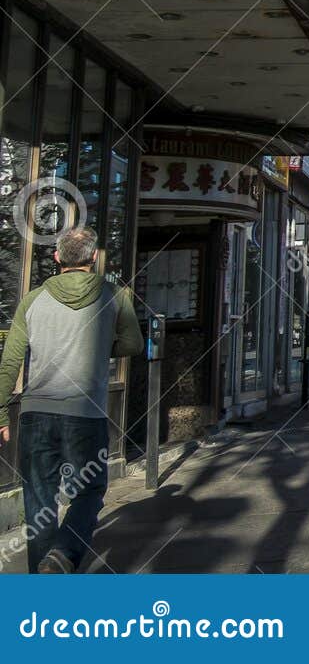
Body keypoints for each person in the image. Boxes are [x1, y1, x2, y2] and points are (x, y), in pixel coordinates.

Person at [0, 226, 143, 574]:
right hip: (85, 413)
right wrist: (100, 348)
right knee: (89, 491)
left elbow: (10, 361)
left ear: (56, 257)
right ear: (94, 257)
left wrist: (2, 413)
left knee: (38, 501)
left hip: (36, 413)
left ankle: (44, 582)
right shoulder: (115, 295)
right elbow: (134, 344)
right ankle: (63, 553)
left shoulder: (32, 300)